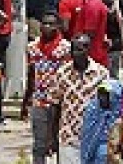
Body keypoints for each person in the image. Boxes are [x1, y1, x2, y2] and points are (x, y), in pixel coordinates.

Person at [49, 35, 110, 164]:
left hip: (93, 138)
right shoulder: (62, 73)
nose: (76, 53)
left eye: (80, 49)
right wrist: (52, 136)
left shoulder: (102, 74)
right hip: (68, 138)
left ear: (88, 50)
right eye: (73, 50)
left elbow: (107, 107)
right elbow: (55, 105)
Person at [23, 12, 72, 164]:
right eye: (44, 23)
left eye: (51, 24)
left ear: (58, 26)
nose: (47, 27)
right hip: (39, 100)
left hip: (61, 103)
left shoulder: (66, 48)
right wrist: (26, 99)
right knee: (39, 144)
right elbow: (31, 74)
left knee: (60, 143)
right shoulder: (32, 48)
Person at [82, 79, 123, 164]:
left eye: (106, 95)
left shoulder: (122, 115)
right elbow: (87, 138)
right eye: (100, 94)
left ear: (114, 97)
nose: (102, 98)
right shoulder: (92, 110)